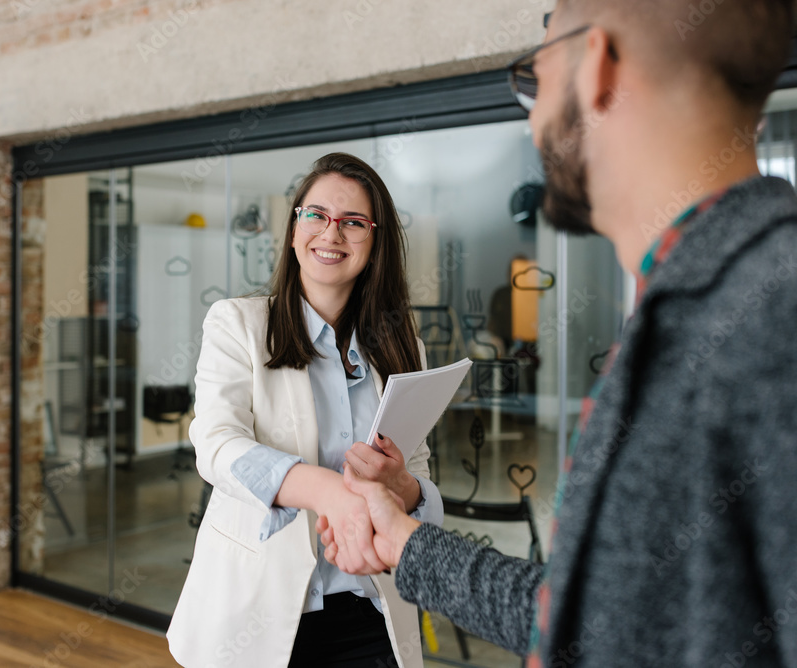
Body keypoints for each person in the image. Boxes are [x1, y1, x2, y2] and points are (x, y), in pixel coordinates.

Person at [320, 1, 797, 666]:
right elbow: (593, 617)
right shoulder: (683, 308)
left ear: (596, 65)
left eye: (533, 80)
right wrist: (404, 543)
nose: (535, 118)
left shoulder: (772, 311)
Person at [166, 152, 444, 668]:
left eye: (353, 222)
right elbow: (217, 445)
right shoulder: (237, 325)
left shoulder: (404, 348)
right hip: (259, 616)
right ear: (295, 231)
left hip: (372, 611)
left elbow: (418, 471)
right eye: (315, 215)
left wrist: (406, 489)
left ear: (375, 241)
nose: (330, 233)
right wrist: (326, 491)